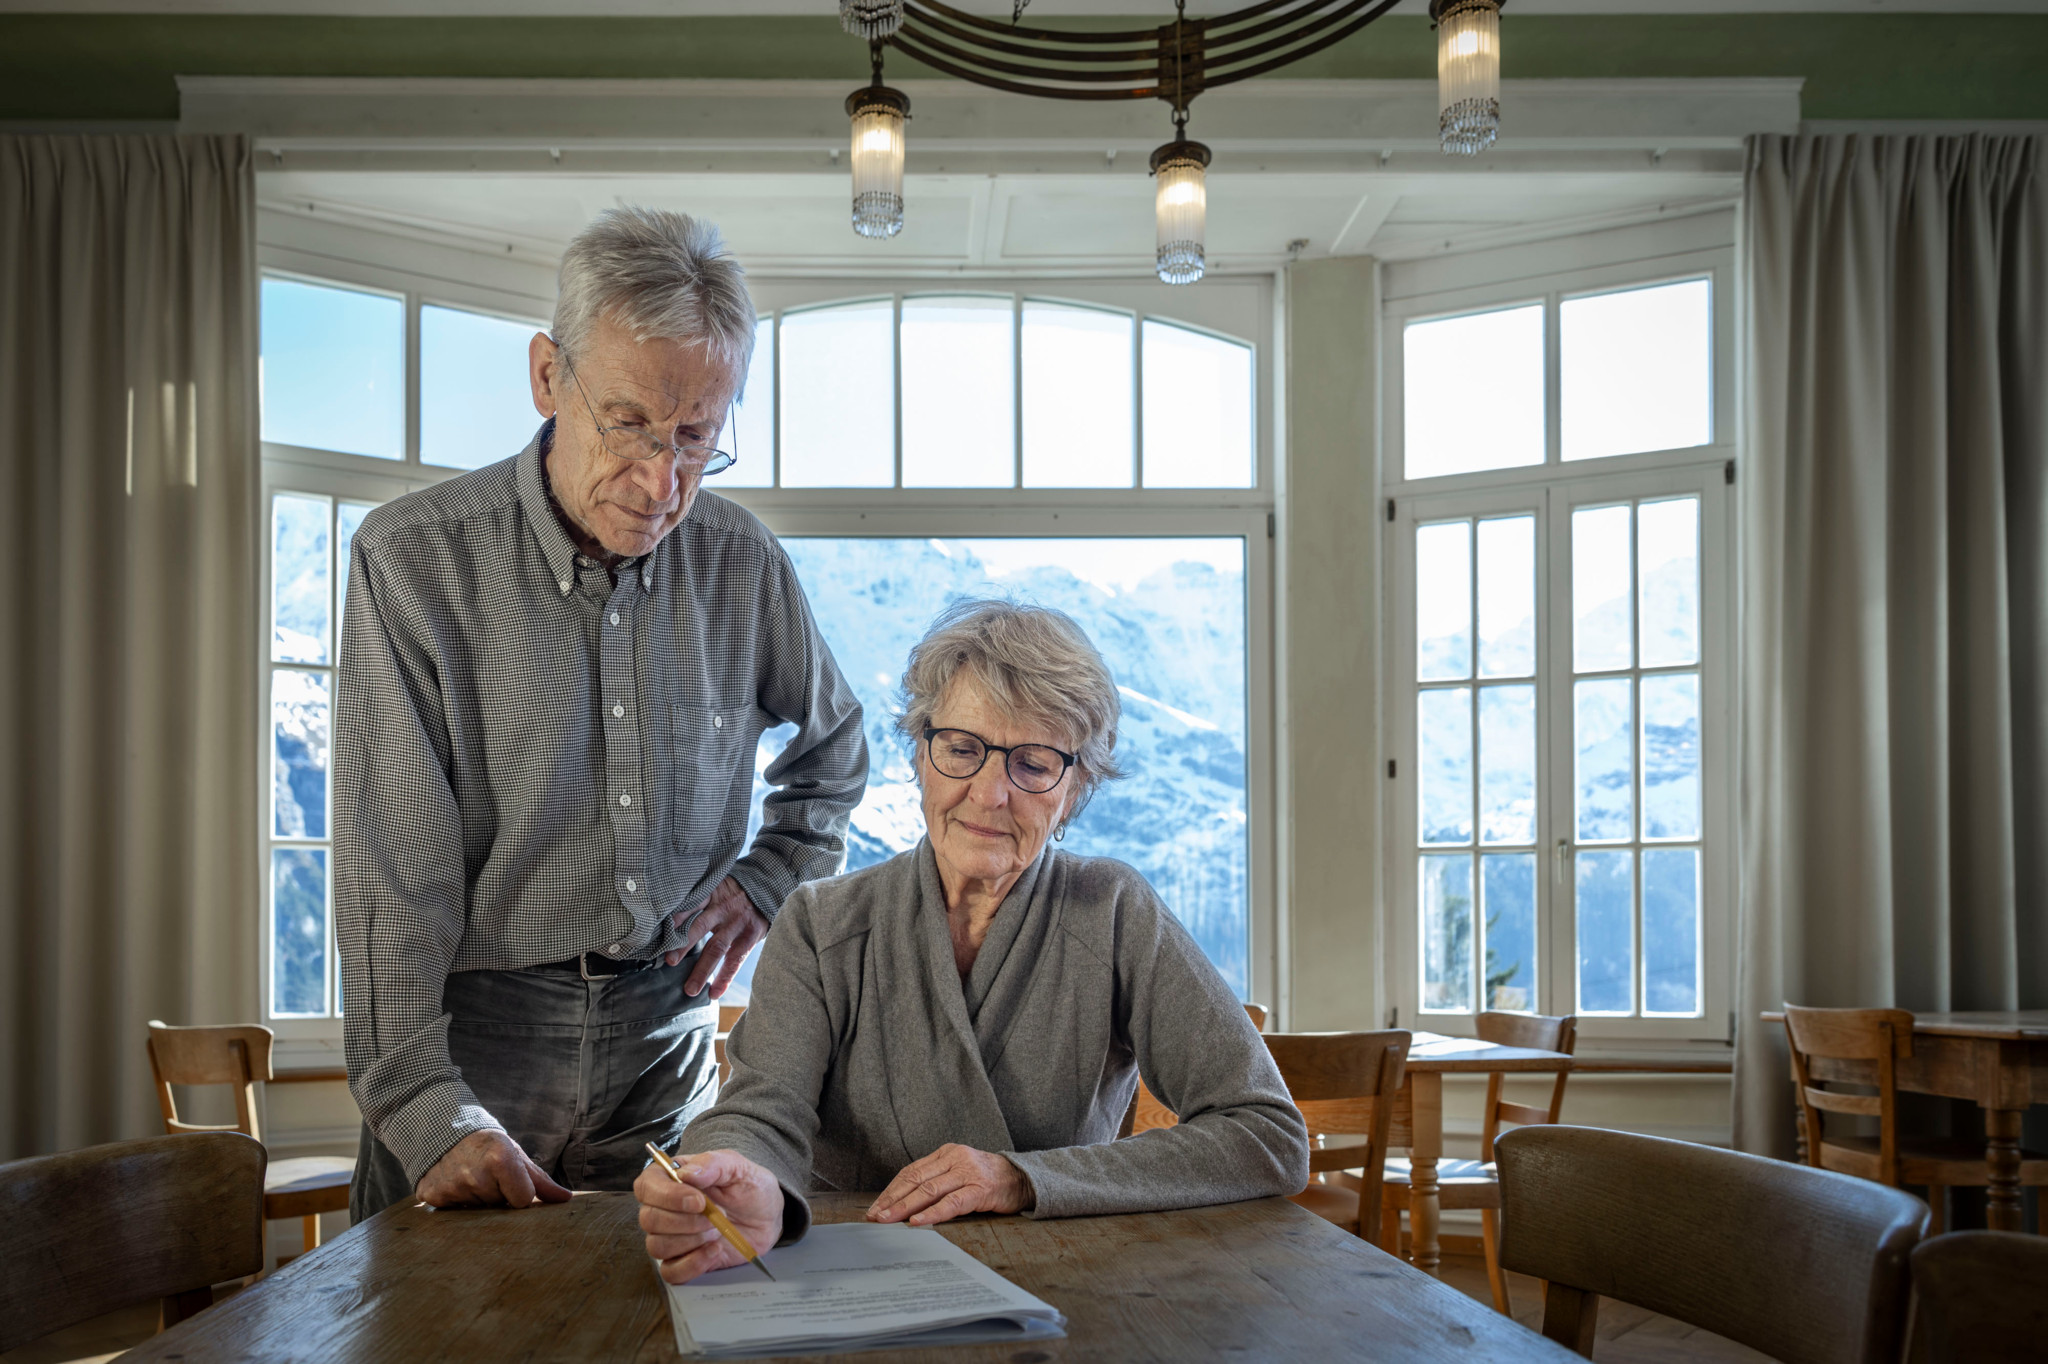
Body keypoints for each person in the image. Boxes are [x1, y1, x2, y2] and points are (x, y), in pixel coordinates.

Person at [335, 207, 867, 1221]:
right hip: (472, 1042)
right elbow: (389, 878)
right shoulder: (411, 560)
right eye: (627, 423)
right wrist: (423, 1105)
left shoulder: (742, 562)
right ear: (547, 377)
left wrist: (764, 881)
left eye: (695, 440)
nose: (661, 483)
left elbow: (835, 752)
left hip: (668, 1045)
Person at [634, 599, 1307, 1282]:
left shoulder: (1114, 912)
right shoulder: (821, 922)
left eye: (1034, 764)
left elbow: (1266, 1135)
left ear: (1073, 790)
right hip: (852, 1283)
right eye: (962, 750)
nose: (990, 794)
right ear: (920, 756)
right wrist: (737, 1178)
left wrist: (1023, 1179)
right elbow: (760, 1115)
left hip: (1064, 1281)